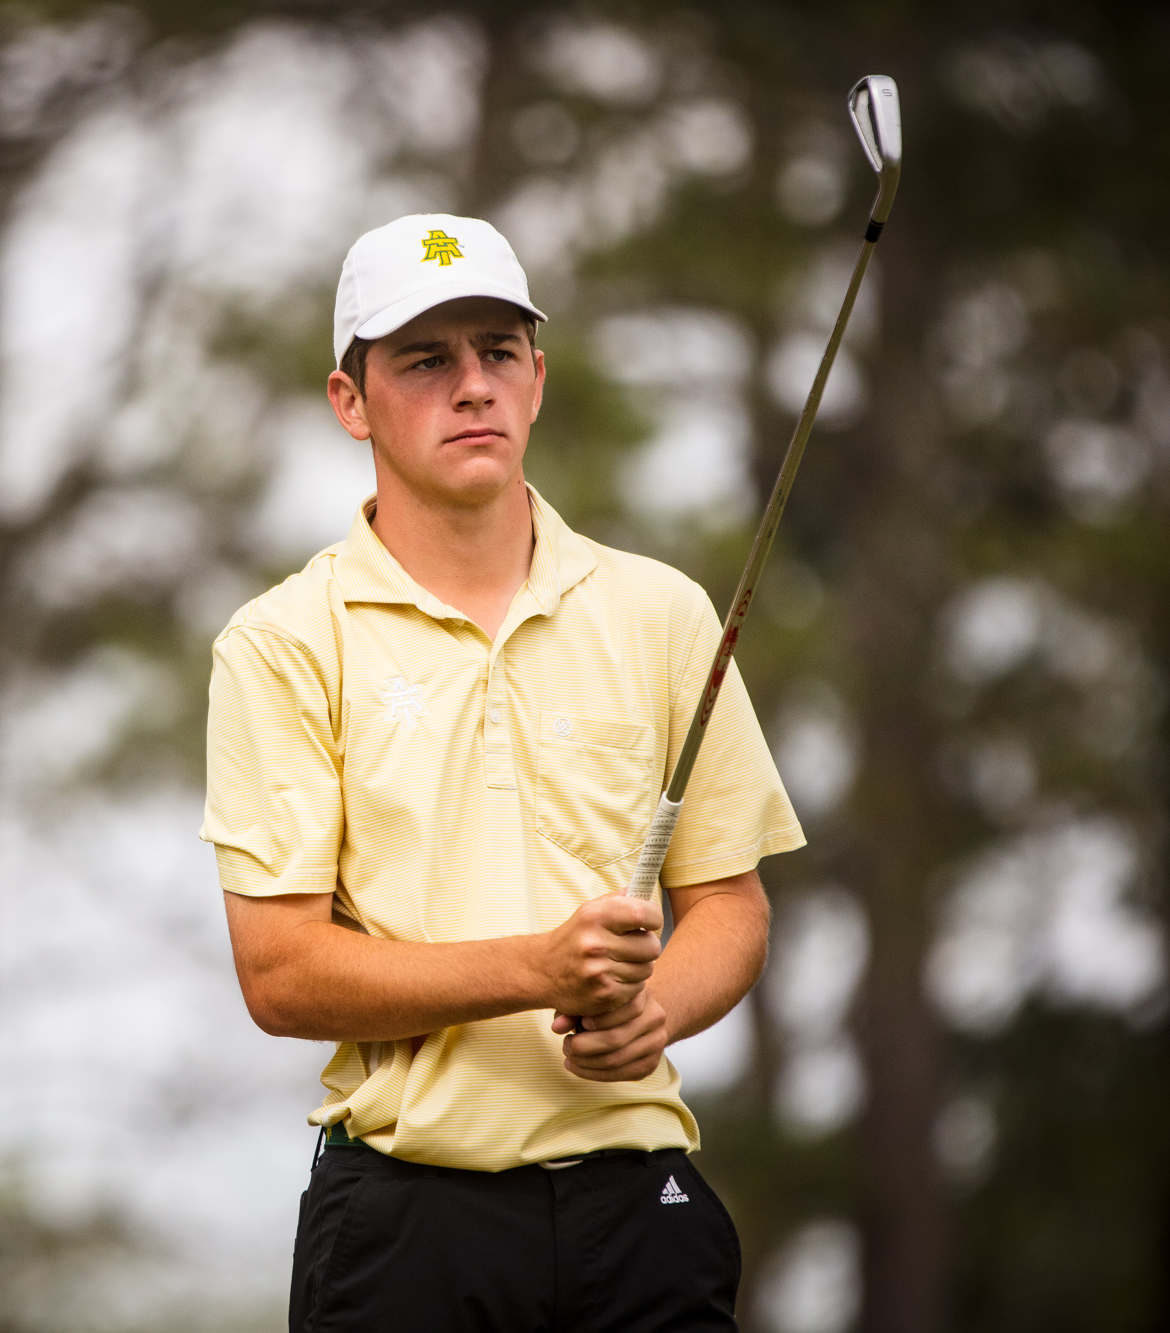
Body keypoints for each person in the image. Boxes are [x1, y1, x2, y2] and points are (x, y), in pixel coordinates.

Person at [200, 213, 805, 1331]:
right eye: (425, 361)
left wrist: (657, 1007)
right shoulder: (282, 642)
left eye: (497, 351)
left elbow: (729, 903)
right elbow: (279, 973)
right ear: (350, 402)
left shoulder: (662, 612)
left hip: (642, 1207)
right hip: (407, 1220)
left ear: (537, 379)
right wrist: (538, 966)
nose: (472, 385)